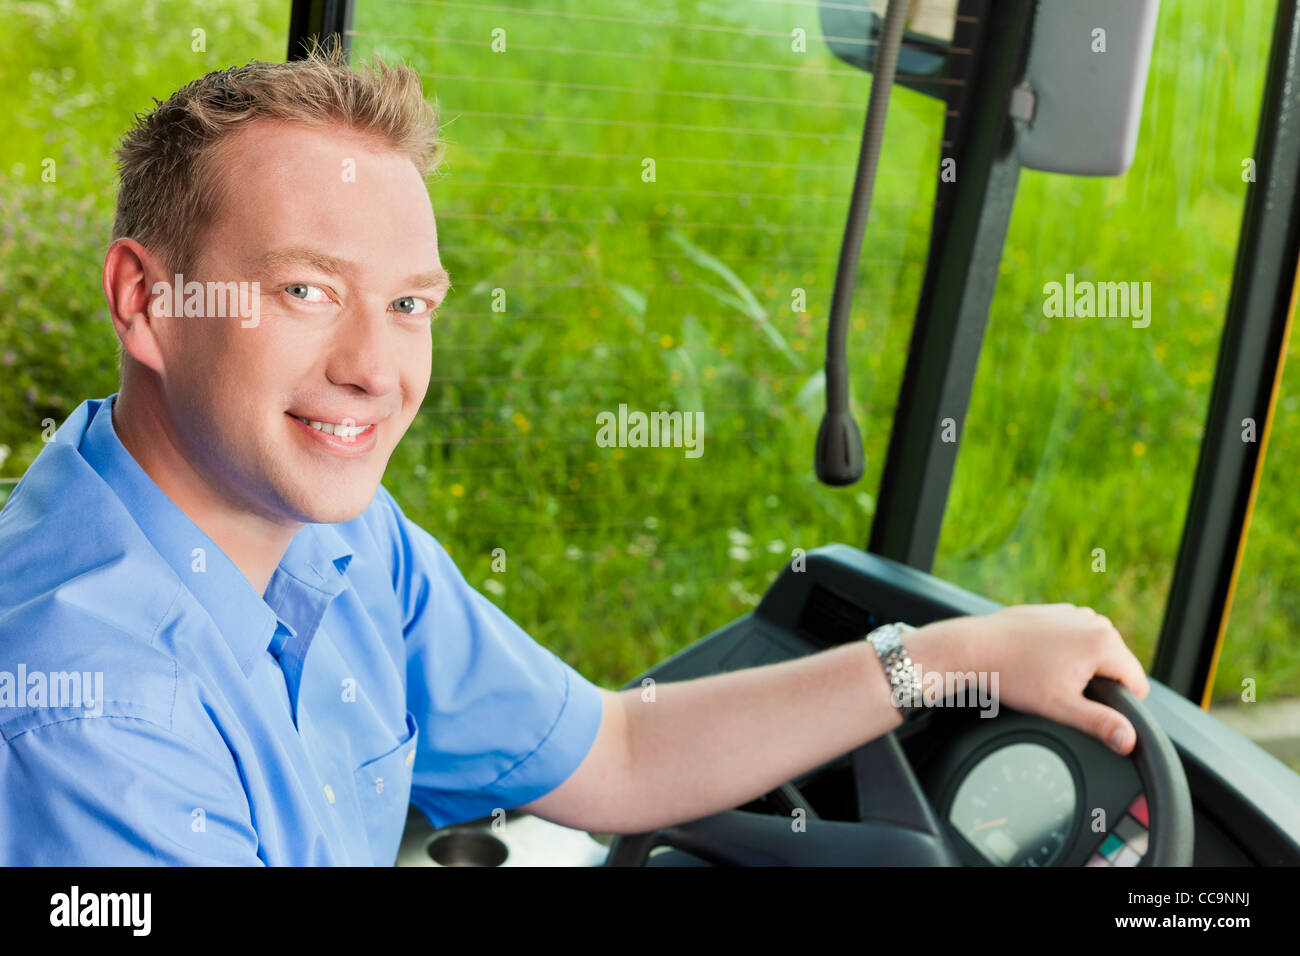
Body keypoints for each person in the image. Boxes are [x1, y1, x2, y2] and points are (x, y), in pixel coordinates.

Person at [0, 42, 1148, 865]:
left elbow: (622, 748)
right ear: (146, 303)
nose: (374, 368)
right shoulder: (87, 707)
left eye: (410, 304)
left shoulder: (334, 536)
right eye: (307, 290)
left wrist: (950, 659)